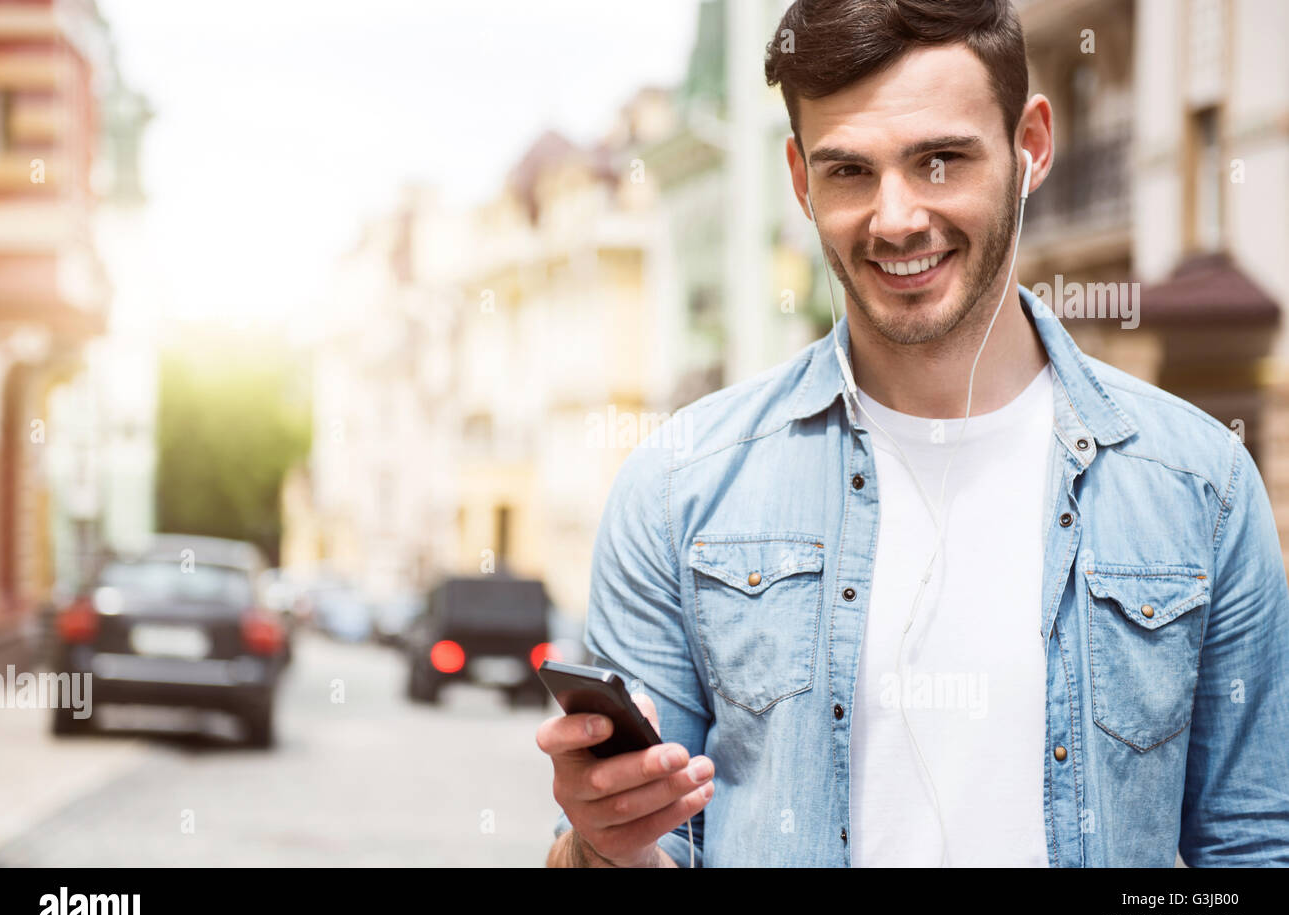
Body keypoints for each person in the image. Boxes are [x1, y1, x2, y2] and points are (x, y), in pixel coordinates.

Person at [538, 0, 1289, 867]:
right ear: (800, 179)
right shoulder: (678, 489)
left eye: (940, 160)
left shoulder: (1203, 487)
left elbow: (1249, 853)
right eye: (850, 171)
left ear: (1031, 146)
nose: (895, 219)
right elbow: (632, 849)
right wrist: (603, 845)